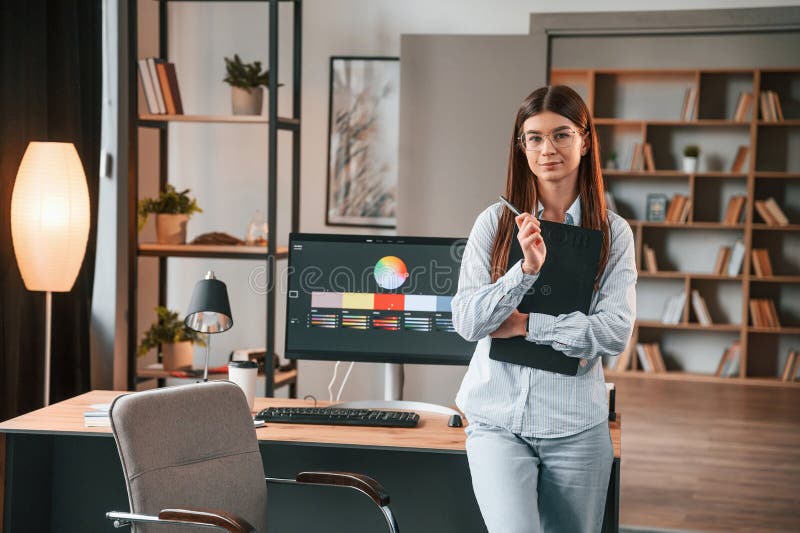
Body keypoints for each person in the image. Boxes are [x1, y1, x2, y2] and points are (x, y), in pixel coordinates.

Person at [452, 85, 637, 533]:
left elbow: (613, 332)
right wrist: (525, 271)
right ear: (522, 147)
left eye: (561, 135)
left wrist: (527, 324)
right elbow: (469, 322)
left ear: (585, 140)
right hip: (496, 422)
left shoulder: (613, 233)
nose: (546, 149)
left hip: (576, 426)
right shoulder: (494, 224)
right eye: (533, 138)